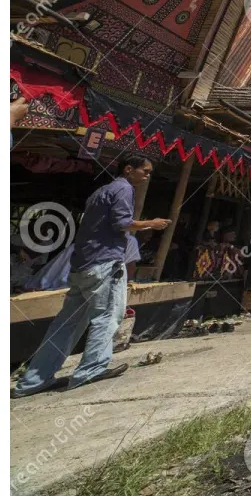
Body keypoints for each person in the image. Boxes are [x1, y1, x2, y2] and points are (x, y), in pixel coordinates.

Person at [13, 156, 170, 397]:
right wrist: (152, 223)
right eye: (145, 171)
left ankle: (33, 380)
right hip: (104, 263)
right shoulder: (124, 189)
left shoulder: (100, 192)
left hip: (82, 265)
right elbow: (122, 223)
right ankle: (91, 368)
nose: (147, 176)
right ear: (129, 169)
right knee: (107, 315)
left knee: (66, 325)